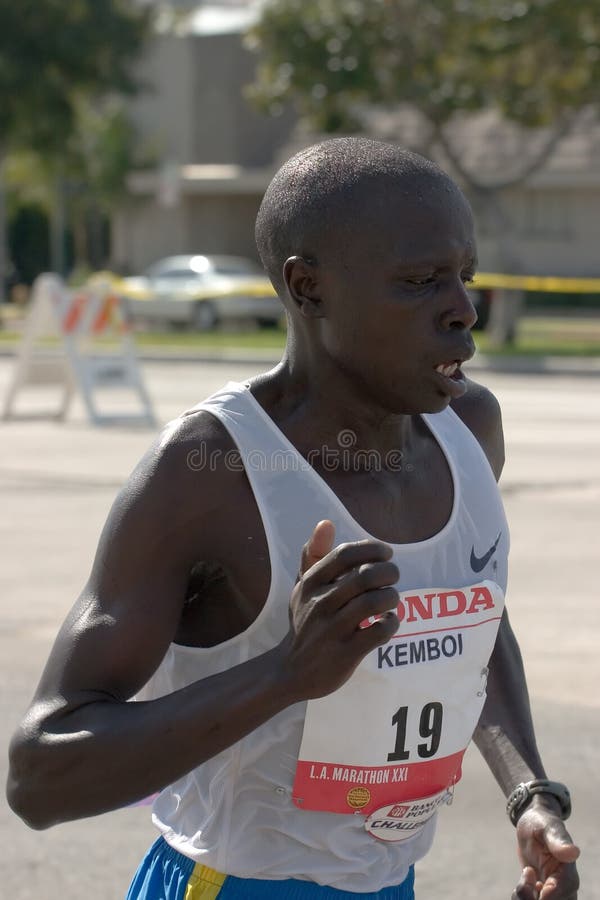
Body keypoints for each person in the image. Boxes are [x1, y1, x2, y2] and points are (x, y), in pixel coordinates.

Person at [7, 138, 579, 900]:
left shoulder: (468, 428)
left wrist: (528, 793)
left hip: (391, 883)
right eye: (420, 282)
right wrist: (286, 675)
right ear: (308, 289)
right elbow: (41, 774)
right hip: (231, 882)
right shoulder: (212, 472)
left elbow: (473, 617)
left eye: (463, 277)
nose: (463, 310)